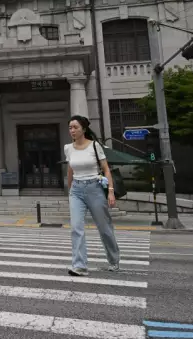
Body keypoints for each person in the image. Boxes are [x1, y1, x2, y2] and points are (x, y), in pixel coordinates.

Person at [65, 115, 120, 277]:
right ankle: (79, 266)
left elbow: (106, 169)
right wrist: (70, 191)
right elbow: (70, 171)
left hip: (94, 188)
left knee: (104, 228)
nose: (72, 130)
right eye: (70, 128)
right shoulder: (68, 148)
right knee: (76, 227)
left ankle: (113, 259)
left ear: (83, 129)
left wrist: (110, 191)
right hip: (76, 190)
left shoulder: (95, 146)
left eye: (75, 127)